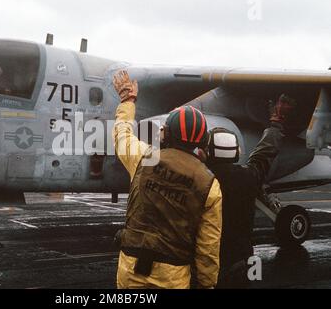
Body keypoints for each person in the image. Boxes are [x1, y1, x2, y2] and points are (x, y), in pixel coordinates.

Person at [113, 70, 222, 289]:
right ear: (203, 140)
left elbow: (122, 136)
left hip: (130, 269)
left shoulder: (145, 158)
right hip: (172, 276)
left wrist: (128, 101)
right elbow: (208, 245)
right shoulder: (209, 184)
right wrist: (207, 282)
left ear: (167, 134)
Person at [205, 94, 296, 288]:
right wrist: (276, 123)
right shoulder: (249, 177)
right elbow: (264, 154)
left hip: (209, 261)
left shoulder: (200, 179)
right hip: (243, 260)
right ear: (236, 152)